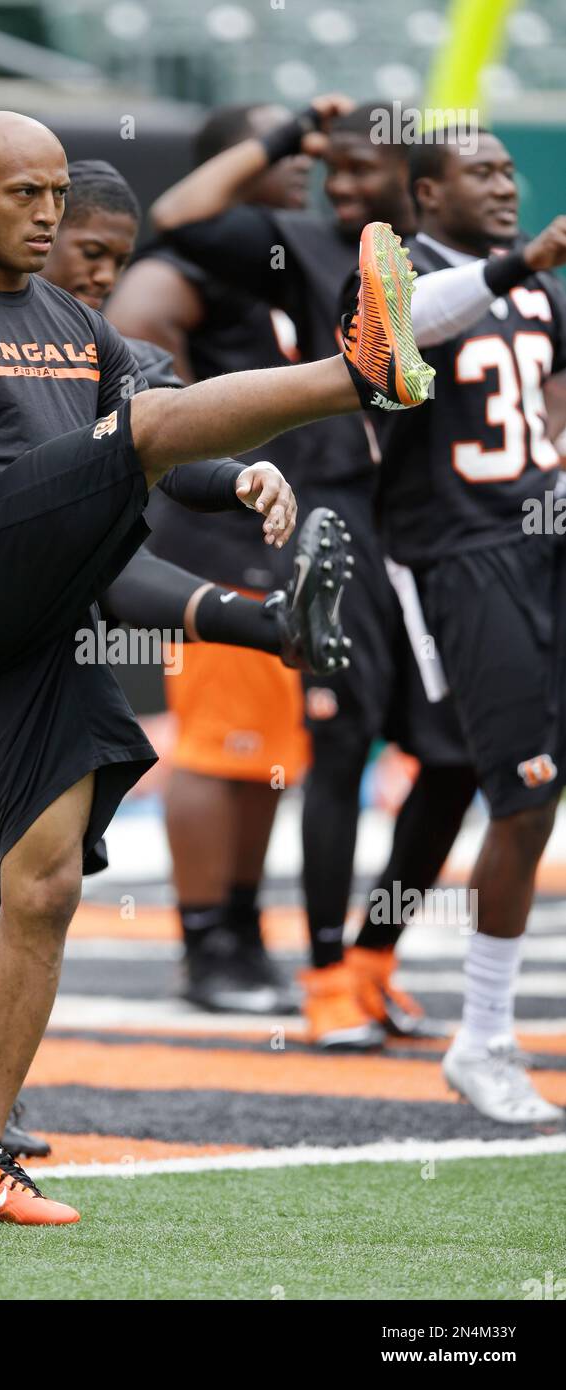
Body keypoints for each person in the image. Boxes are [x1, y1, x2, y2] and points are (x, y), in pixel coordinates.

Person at [0, 110, 431, 1225]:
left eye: (53, 194)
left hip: (36, 616)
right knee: (132, 436)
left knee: (45, 884)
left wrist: (233, 482)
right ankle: (354, 375)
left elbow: (171, 445)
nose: (45, 214)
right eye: (21, 195)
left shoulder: (79, 327)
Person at [149, 101, 483, 1048]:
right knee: (301, 750)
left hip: (444, 532)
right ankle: (309, 966)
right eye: (318, 162)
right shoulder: (292, 242)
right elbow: (173, 226)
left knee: (454, 754)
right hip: (319, 521)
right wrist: (285, 129)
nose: (331, 180)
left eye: (353, 166)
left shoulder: (470, 255)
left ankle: (370, 959)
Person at [370, 133, 566, 1122]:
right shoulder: (396, 272)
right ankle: (484, 1037)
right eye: (481, 173)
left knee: (544, 790)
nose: (505, 185)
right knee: (521, 790)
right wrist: (523, 260)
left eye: (509, 171)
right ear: (427, 191)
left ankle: (489, 1033)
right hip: (458, 556)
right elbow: (399, 339)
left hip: (543, 541)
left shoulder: (541, 289)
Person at [108, 105, 313, 1014]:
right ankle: (204, 943)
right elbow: (137, 364)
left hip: (275, 529)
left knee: (268, 754)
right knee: (213, 751)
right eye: (279, 148)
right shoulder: (179, 266)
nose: (303, 163)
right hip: (216, 534)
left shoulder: (282, 261)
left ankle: (240, 925)